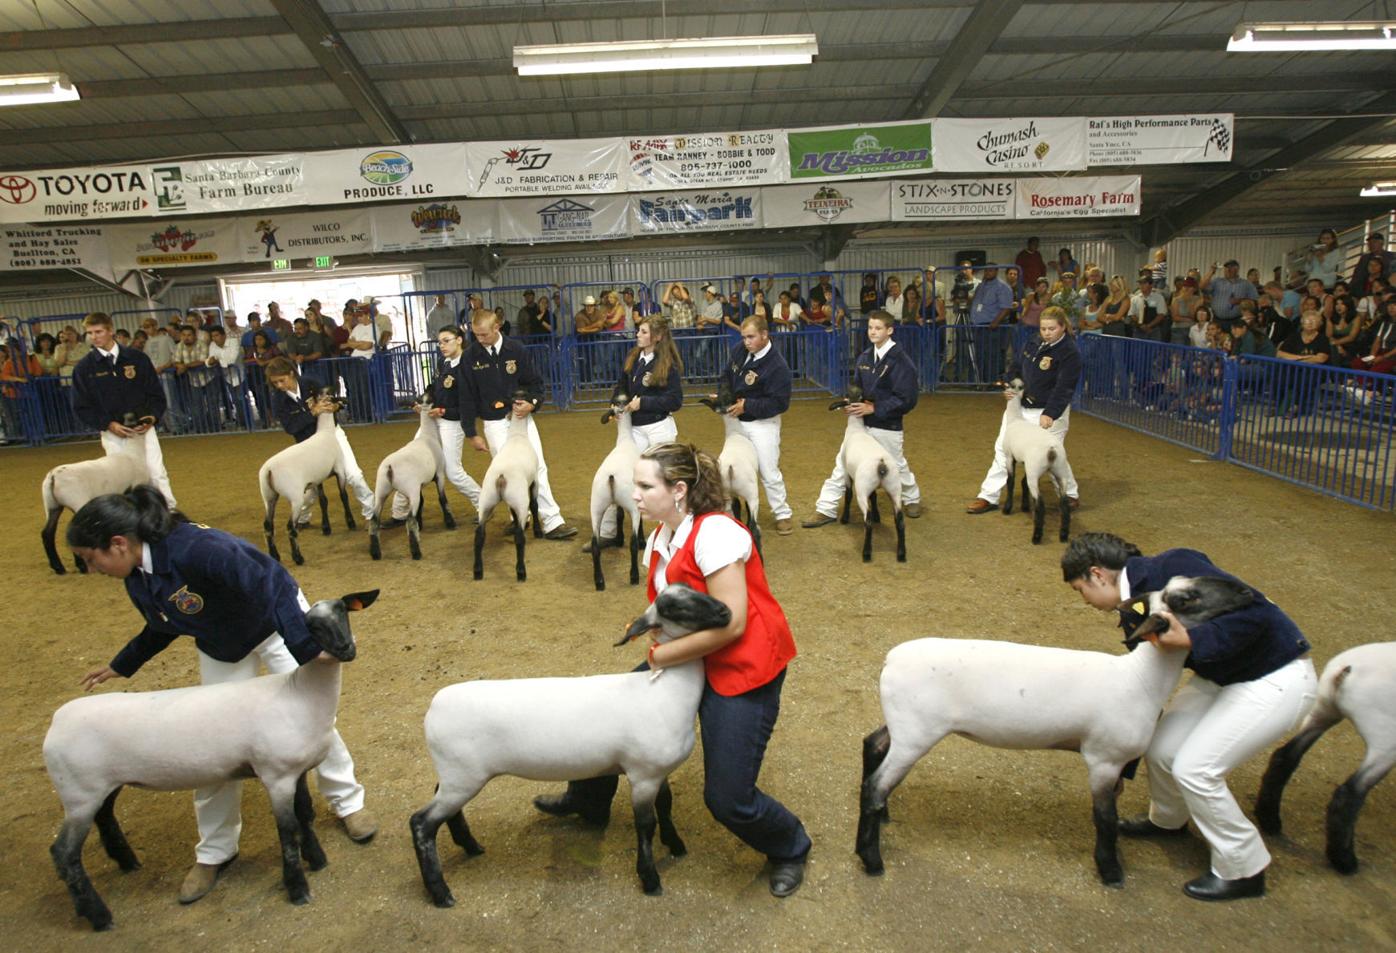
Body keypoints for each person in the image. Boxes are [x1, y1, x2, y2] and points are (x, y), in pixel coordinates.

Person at [68, 486, 378, 905]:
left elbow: (272, 583)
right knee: (207, 745)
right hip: (222, 644)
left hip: (276, 624)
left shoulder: (199, 548)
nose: (91, 569)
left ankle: (347, 803)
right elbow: (163, 624)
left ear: (118, 543)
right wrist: (123, 663)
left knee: (311, 720)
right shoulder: (139, 578)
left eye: (91, 559)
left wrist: (306, 650)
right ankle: (216, 851)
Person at [532, 442, 812, 896]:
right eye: (635, 485)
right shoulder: (662, 534)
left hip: (742, 665)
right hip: (691, 657)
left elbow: (733, 623)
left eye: (645, 486)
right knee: (605, 714)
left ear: (679, 490)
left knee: (728, 800)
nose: (634, 495)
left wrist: (660, 656)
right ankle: (589, 801)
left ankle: (790, 846)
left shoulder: (716, 534)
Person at [1061, 532, 1315, 901]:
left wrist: (1195, 642)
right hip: (1223, 676)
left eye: (1079, 589)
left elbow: (1255, 611)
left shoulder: (1174, 568)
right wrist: (1119, 765)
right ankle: (1167, 820)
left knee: (1196, 768)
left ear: (1097, 575)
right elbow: (1145, 693)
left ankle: (1244, 867)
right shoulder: (1138, 605)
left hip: (1276, 674)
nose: (1083, 600)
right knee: (1162, 747)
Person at [460, 310, 576, 539]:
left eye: (483, 334)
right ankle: (518, 518)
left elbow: (535, 382)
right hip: (493, 422)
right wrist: (471, 432)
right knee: (506, 472)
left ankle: (552, 521)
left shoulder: (517, 349)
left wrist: (532, 404)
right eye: (475, 335)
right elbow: (466, 396)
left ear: (497, 328)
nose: (479, 339)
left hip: (521, 419)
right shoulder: (469, 356)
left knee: (538, 466)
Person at [804, 310, 923, 527]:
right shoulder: (865, 357)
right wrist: (851, 401)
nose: (873, 332)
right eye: (870, 328)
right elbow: (856, 386)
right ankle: (826, 508)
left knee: (895, 464)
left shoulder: (901, 361)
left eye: (878, 328)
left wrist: (874, 409)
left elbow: (907, 400)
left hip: (887, 425)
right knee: (842, 463)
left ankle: (912, 498)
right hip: (860, 425)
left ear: (890, 330)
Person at [967, 308, 1080, 514]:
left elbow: (1064, 388)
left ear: (1063, 327)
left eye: (1051, 329)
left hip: (1048, 411)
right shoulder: (1033, 341)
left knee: (1051, 455)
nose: (1046, 332)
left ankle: (1069, 493)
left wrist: (1050, 413)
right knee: (1003, 449)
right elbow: (1016, 367)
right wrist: (1013, 387)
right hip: (1021, 408)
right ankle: (988, 496)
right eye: (1043, 328)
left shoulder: (1070, 352)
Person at [591, 316, 685, 550]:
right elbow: (621, 386)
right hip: (632, 431)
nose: (638, 335)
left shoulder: (668, 364)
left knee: (665, 482)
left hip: (658, 429)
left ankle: (676, 532)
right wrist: (617, 402)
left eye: (643, 332)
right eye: (639, 331)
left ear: (657, 337)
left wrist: (643, 402)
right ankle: (609, 532)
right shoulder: (633, 358)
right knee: (621, 477)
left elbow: (674, 400)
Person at [71, 312, 176, 507]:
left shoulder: (137, 359)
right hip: (114, 434)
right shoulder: (84, 369)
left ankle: (169, 511)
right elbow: (81, 406)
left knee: (156, 471)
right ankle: (129, 517)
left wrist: (151, 417)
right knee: (120, 479)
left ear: (111, 331)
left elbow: (155, 393)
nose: (94, 337)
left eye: (98, 331)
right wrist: (108, 424)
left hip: (143, 429)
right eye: (90, 333)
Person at [265, 356, 381, 522]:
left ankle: (372, 512)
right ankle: (302, 517)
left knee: (354, 475)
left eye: (282, 380)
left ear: (291, 373)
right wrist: (313, 412)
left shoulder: (310, 382)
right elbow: (291, 427)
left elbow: (335, 401)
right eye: (275, 383)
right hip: (307, 445)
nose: (279, 386)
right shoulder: (278, 399)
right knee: (308, 489)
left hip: (333, 435)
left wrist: (336, 406)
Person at [720, 316, 794, 535]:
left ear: (764, 334)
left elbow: (780, 403)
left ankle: (782, 513)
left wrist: (748, 406)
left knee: (768, 469)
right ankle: (729, 512)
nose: (746, 342)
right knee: (730, 467)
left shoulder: (777, 365)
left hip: (763, 424)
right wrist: (724, 395)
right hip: (736, 420)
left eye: (751, 337)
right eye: (744, 337)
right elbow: (726, 375)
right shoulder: (739, 351)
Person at [424, 325, 483, 514]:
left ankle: (483, 503)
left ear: (459, 340)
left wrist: (443, 411)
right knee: (416, 460)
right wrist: (425, 403)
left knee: (453, 472)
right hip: (435, 418)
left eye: (446, 341)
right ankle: (399, 513)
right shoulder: (444, 363)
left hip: (452, 422)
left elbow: (467, 405)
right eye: (440, 342)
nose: (442, 346)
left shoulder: (469, 367)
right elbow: (438, 390)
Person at [1201, 260, 1257, 331]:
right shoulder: (1217, 281)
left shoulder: (1247, 284)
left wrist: (1240, 301)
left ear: (1237, 269)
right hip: (1217, 320)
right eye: (1226, 268)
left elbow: (1255, 301)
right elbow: (1201, 286)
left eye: (1230, 268)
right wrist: (1211, 271)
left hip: (1236, 320)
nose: (1228, 270)